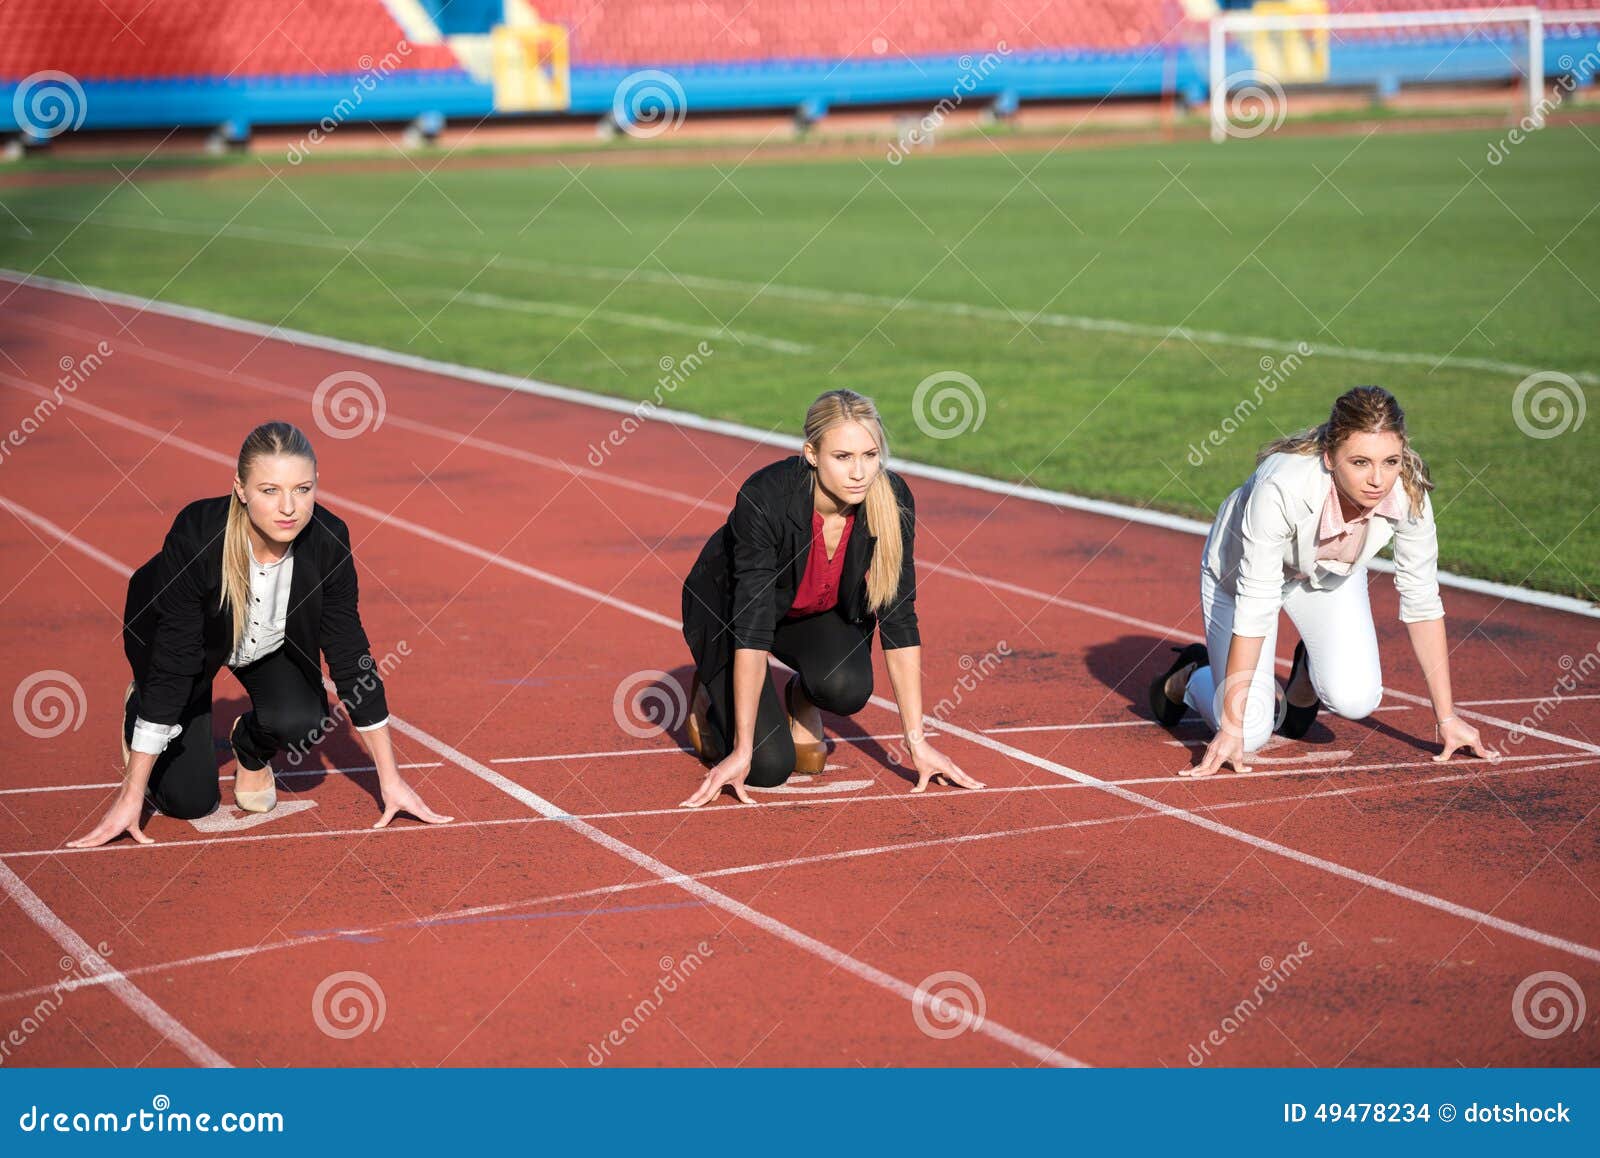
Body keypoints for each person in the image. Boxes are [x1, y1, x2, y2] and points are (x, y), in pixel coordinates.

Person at [68, 421, 452, 847]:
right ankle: (138, 707)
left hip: (265, 641)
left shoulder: (328, 540)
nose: (289, 507)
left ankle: (250, 750)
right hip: (179, 638)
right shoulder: (197, 533)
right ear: (241, 488)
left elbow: (349, 650)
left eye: (302, 489)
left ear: (316, 485)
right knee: (188, 801)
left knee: (304, 719)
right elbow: (175, 660)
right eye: (270, 490)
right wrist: (130, 795)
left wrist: (391, 780)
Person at [1149, 385, 1498, 777]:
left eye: (1391, 461)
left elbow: (1421, 601)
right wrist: (1230, 728)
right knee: (1248, 732)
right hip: (1239, 578)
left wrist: (1447, 717)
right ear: (1330, 457)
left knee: (1356, 699)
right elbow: (1256, 604)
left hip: (1328, 578)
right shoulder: (1281, 488)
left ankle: (1305, 673)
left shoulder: (1408, 492)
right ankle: (1193, 676)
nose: (1378, 480)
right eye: (1361, 462)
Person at [678, 389, 984, 806]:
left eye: (870, 455)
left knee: (847, 687)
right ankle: (710, 696)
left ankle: (800, 696)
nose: (860, 472)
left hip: (808, 610)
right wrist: (743, 748)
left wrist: (918, 744)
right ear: (811, 454)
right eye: (843, 457)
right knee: (767, 768)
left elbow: (899, 619)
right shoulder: (765, 497)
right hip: (730, 615)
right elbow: (751, 623)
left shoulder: (892, 502)